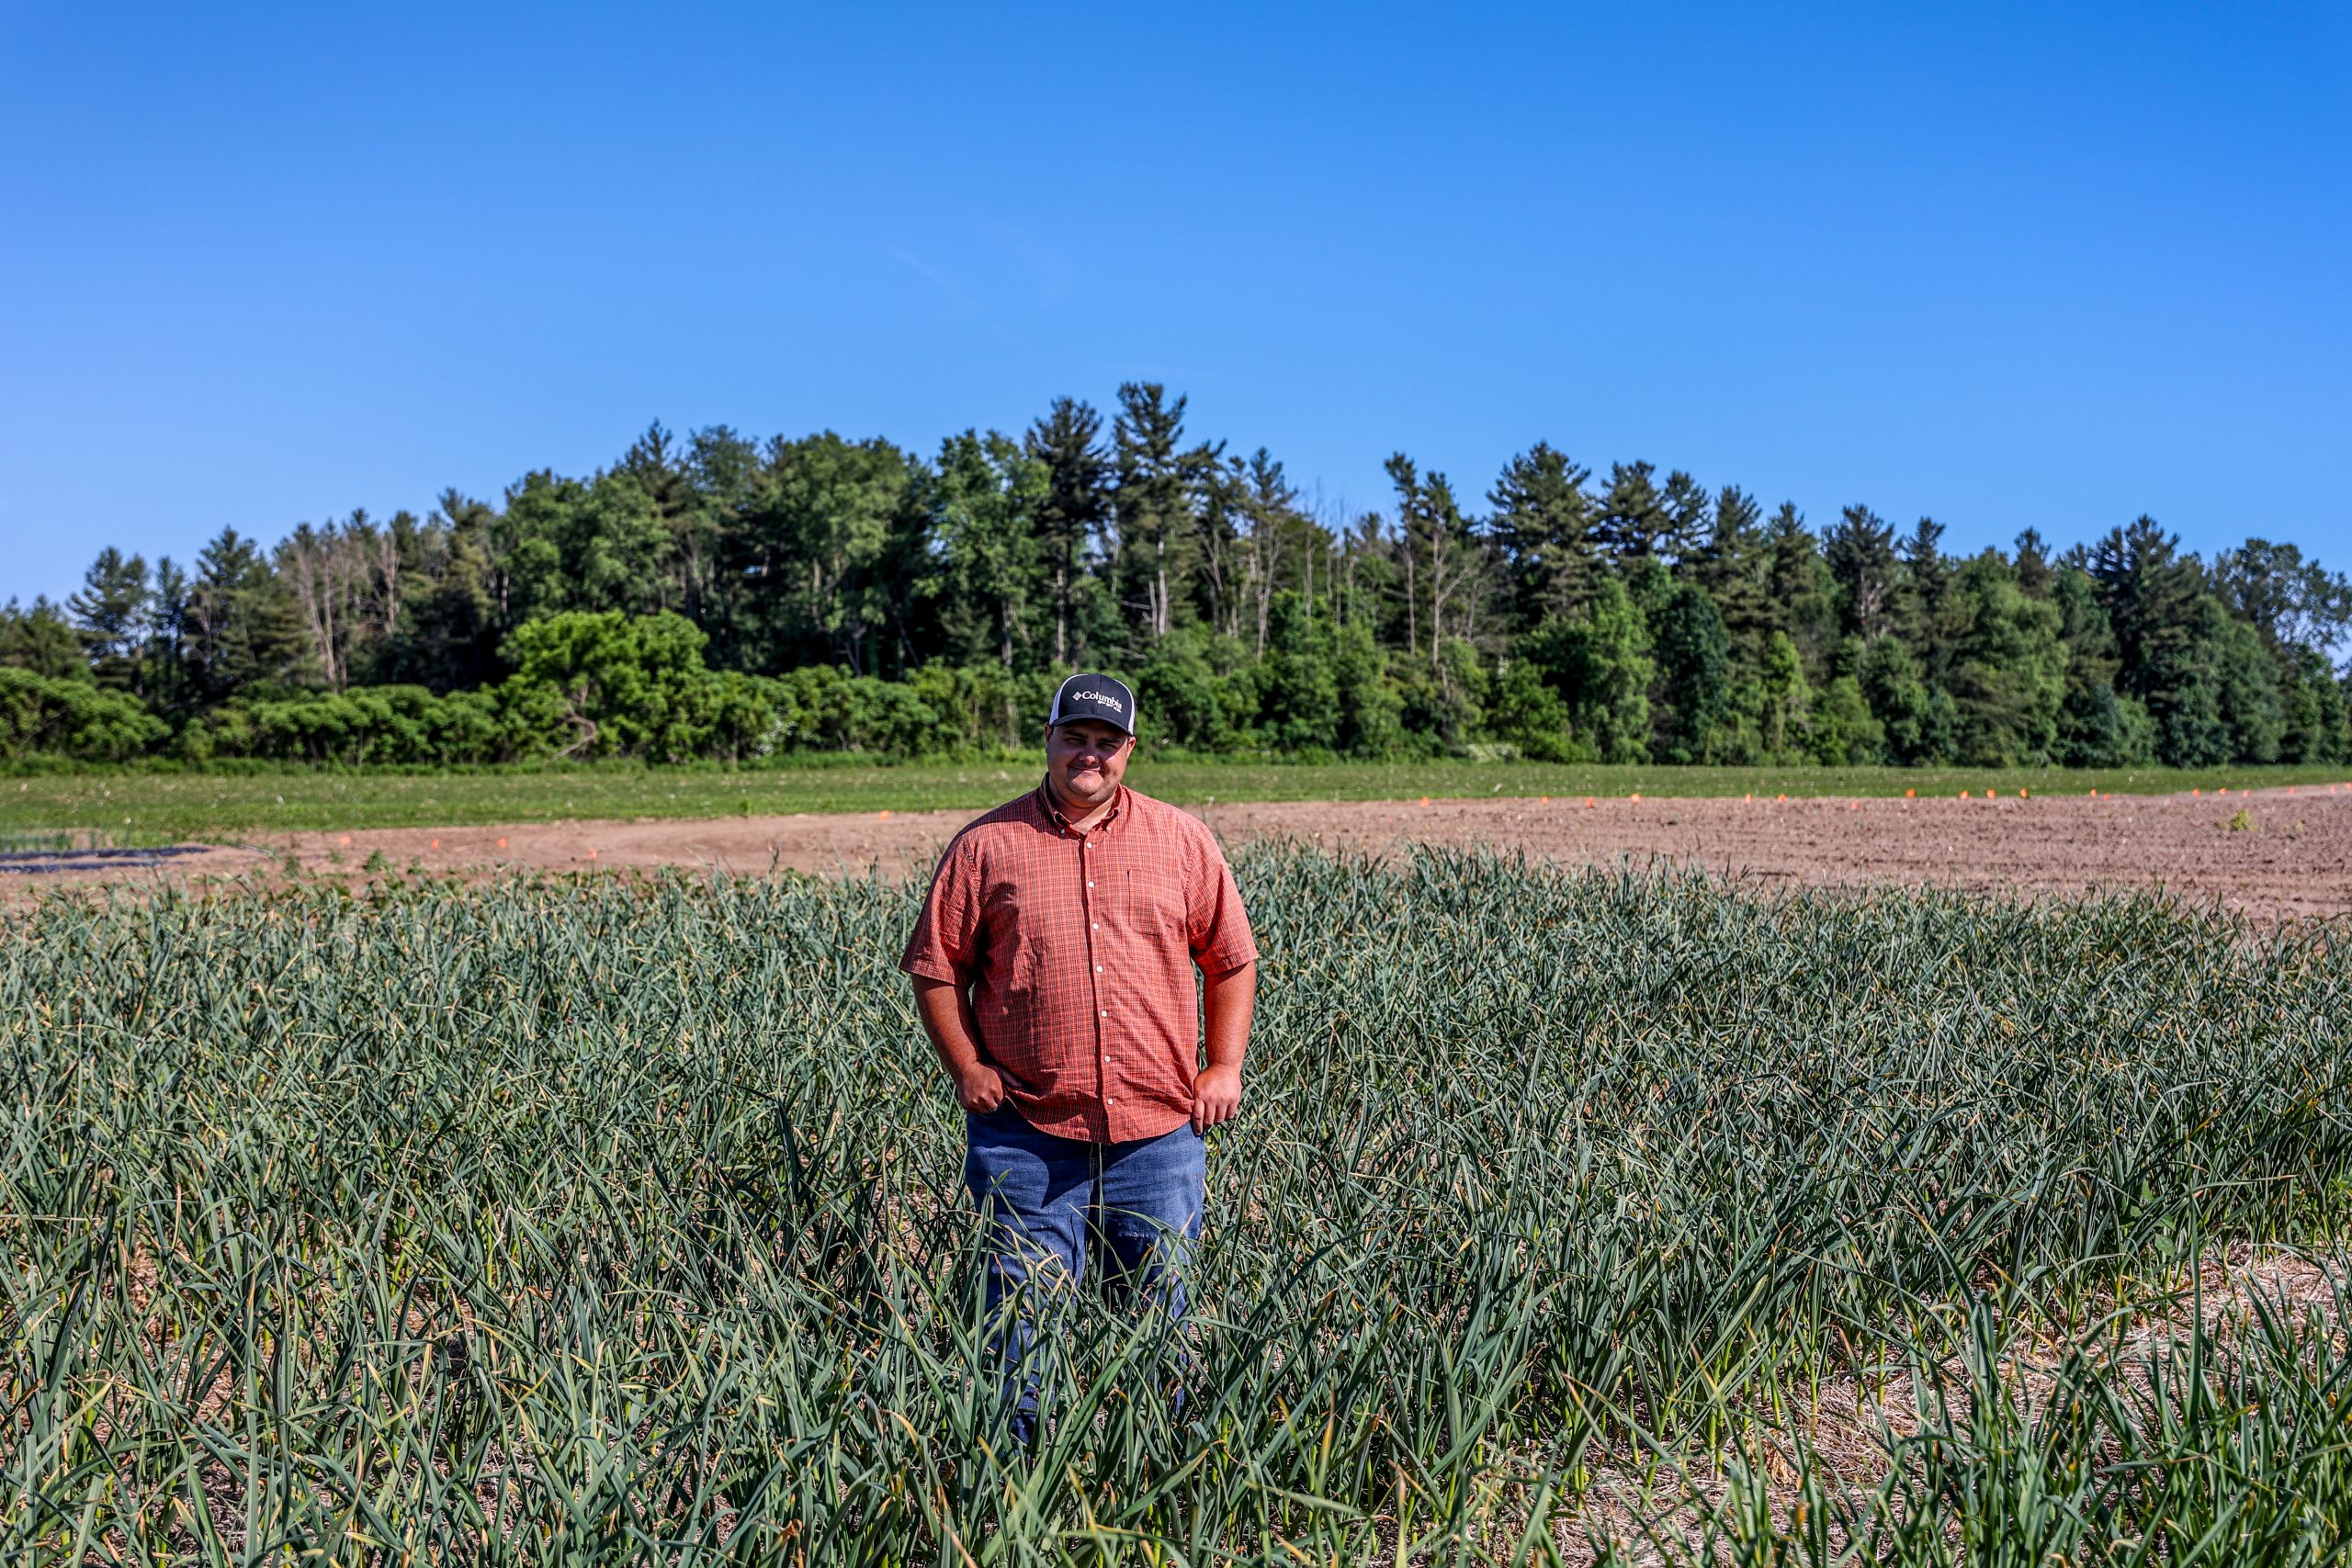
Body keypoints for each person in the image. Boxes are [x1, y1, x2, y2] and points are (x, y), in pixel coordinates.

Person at [899, 672, 1258, 1440]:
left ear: (1129, 750)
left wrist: (1224, 1066)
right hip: (1024, 1130)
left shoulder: (1181, 839)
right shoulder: (985, 846)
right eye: (1075, 737)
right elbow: (936, 967)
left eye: (1106, 742)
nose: (1089, 755)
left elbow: (1230, 959)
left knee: (1160, 1319)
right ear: (1049, 738)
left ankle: (1155, 1463)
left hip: (1158, 1132)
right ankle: (1017, 1475)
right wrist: (965, 1065)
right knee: (1020, 1322)